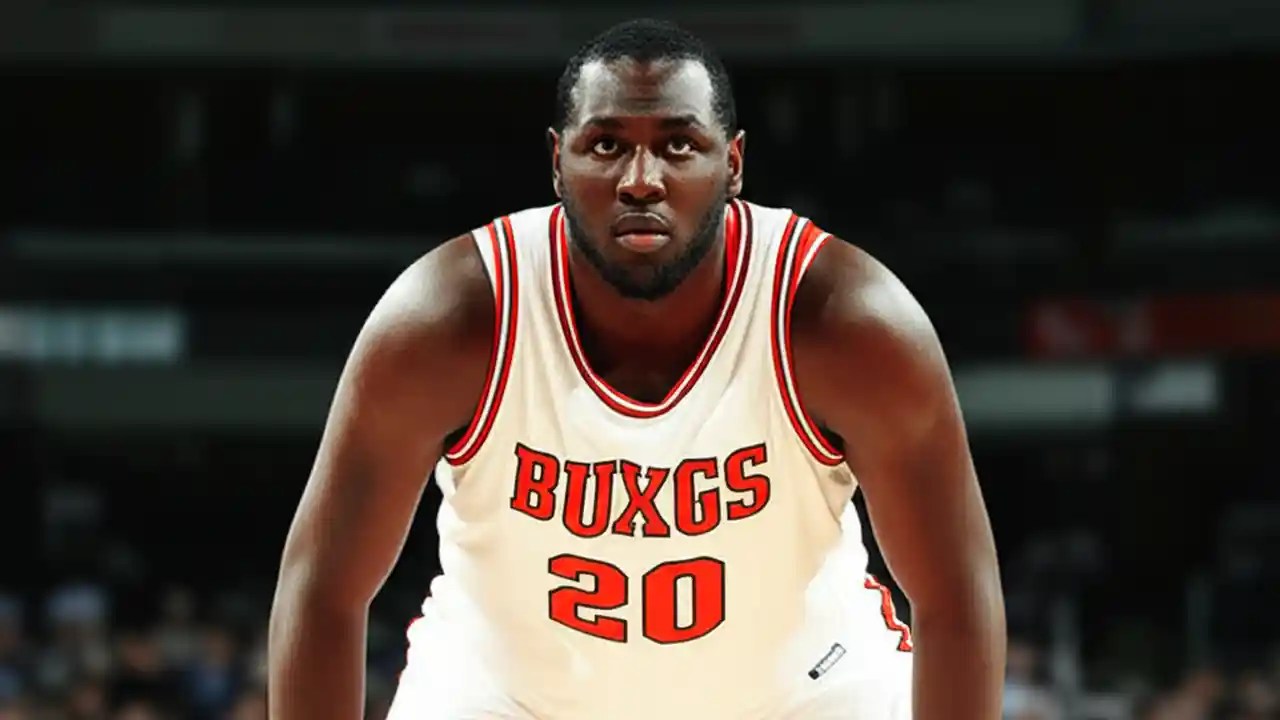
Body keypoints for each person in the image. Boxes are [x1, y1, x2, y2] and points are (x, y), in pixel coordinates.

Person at [268, 18, 1005, 720]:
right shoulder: (450, 321)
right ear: (558, 161)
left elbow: (955, 598)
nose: (641, 180)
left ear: (733, 164)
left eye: (679, 145)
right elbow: (323, 590)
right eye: (607, 144)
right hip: (504, 695)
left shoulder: (846, 322)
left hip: (803, 694)